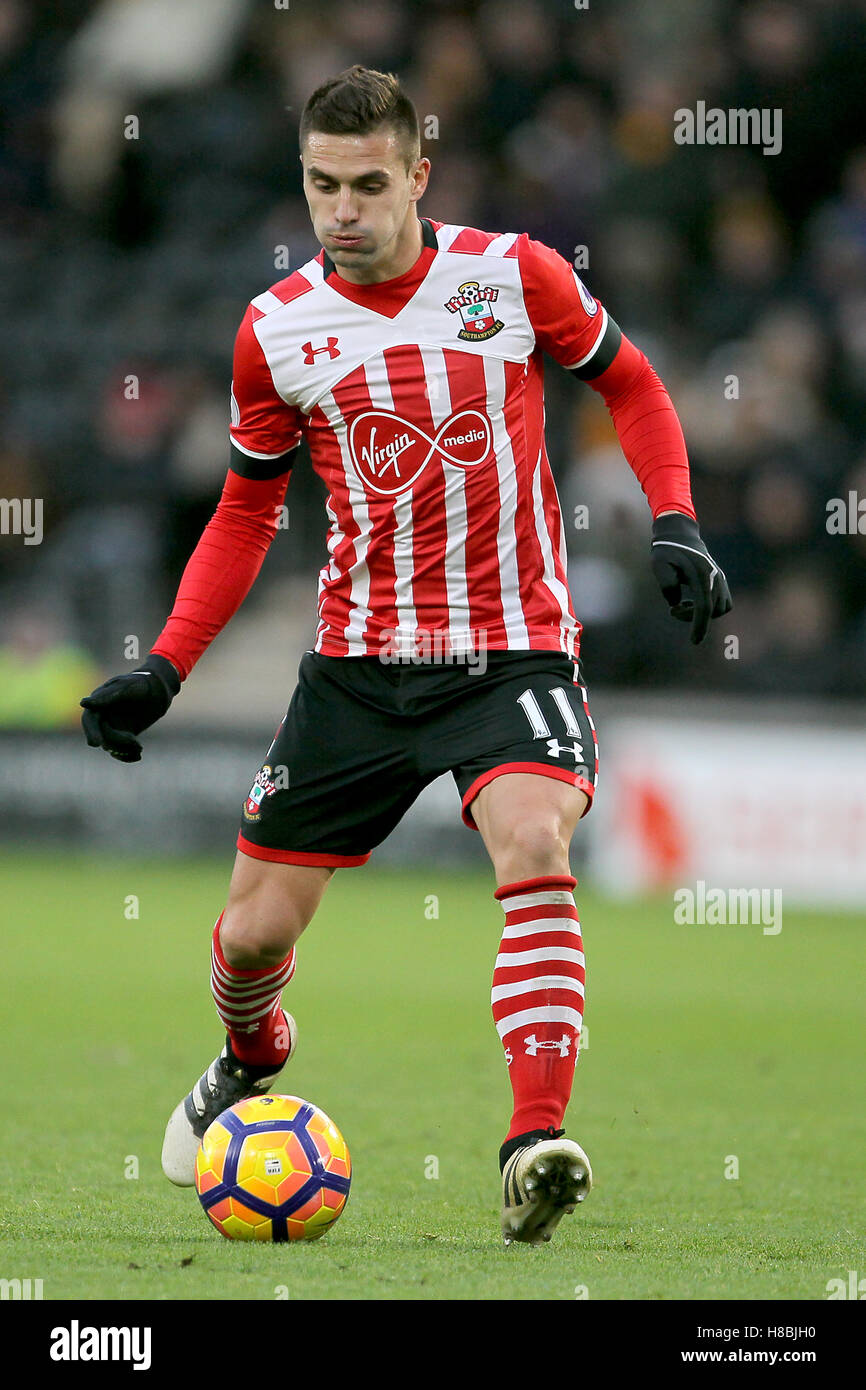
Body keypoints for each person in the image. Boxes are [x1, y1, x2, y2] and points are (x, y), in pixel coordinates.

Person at [80, 65, 731, 1247]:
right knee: (251, 939)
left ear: (418, 176)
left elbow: (630, 387)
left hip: (510, 651)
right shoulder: (275, 332)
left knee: (533, 840)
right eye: (321, 184)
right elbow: (242, 513)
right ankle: (250, 1052)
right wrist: (165, 667)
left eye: (367, 183)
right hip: (355, 671)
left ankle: (532, 1141)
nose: (341, 209)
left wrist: (674, 519)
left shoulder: (512, 274)